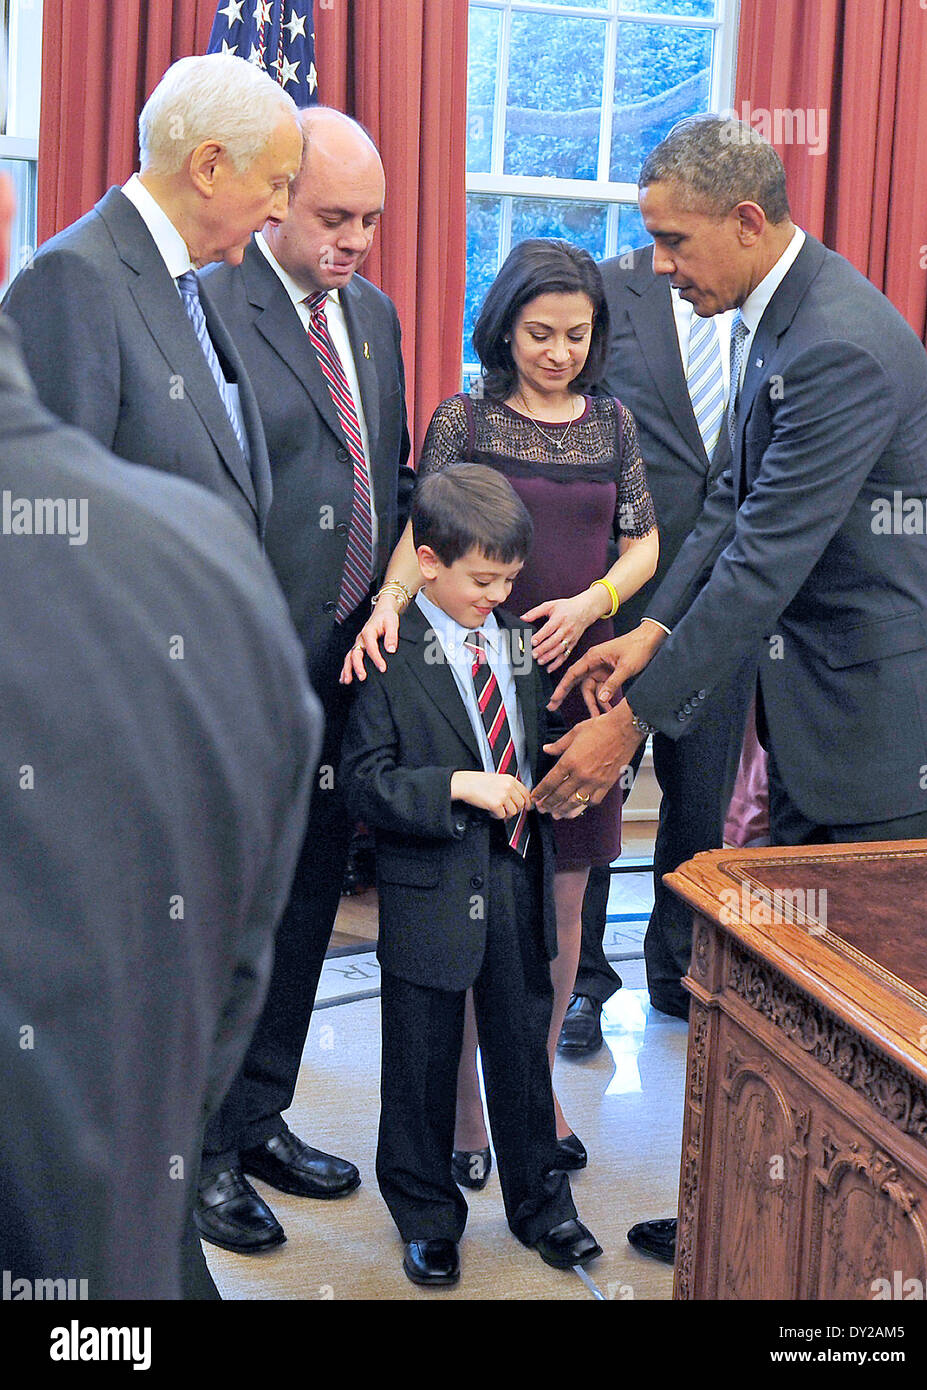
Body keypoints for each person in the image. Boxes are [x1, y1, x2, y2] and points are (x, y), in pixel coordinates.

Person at [536, 115, 927, 1264]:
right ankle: (755, 1209)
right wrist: (652, 629)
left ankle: (848, 1257)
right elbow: (726, 500)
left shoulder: (836, 345)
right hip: (817, 710)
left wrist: (626, 725)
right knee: (783, 995)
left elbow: (768, 559)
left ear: (748, 221)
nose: (659, 268)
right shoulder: (775, 317)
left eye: (673, 243)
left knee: (871, 1036)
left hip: (883, 736)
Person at [0, 164, 321, 1298]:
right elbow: (222, 975)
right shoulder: (78, 286)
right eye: (279, 180)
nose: (283, 209)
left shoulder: (209, 290)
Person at [344, 238, 658, 1178]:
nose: (559, 352)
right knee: (478, 905)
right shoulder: (464, 419)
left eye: (577, 334)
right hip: (468, 690)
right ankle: (469, 1111)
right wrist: (388, 611)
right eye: (539, 333)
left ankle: (535, 1088)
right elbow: (420, 537)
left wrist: (593, 601)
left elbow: (644, 545)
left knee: (561, 906)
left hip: (576, 684)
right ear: (504, 327)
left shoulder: (613, 426)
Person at [195, 107, 412, 1254]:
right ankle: (203, 1155)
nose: (355, 241)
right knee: (231, 921)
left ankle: (261, 1113)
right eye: (335, 217)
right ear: (276, 201)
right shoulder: (210, 308)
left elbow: (394, 473)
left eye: (371, 221)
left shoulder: (371, 316)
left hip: (350, 670)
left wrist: (395, 591)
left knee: (309, 904)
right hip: (246, 676)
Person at [340, 465, 602, 1287]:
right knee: (416, 1063)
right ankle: (425, 1215)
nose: (497, 594)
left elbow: (528, 735)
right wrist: (455, 785)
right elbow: (362, 781)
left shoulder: (518, 642)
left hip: (517, 877)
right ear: (427, 562)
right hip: (430, 888)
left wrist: (570, 741)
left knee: (523, 1051)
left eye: (509, 580)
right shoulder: (387, 653)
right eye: (482, 580)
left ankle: (542, 1207)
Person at [559, 242, 751, 1054]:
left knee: (699, 797)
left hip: (730, 594)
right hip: (621, 594)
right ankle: (581, 985)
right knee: (597, 788)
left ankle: (677, 971)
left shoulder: (768, 304)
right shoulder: (609, 287)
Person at [1, 53, 303, 538]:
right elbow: (48, 525)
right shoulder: (72, 278)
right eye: (276, 184)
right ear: (208, 168)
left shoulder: (183, 279)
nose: (282, 210)